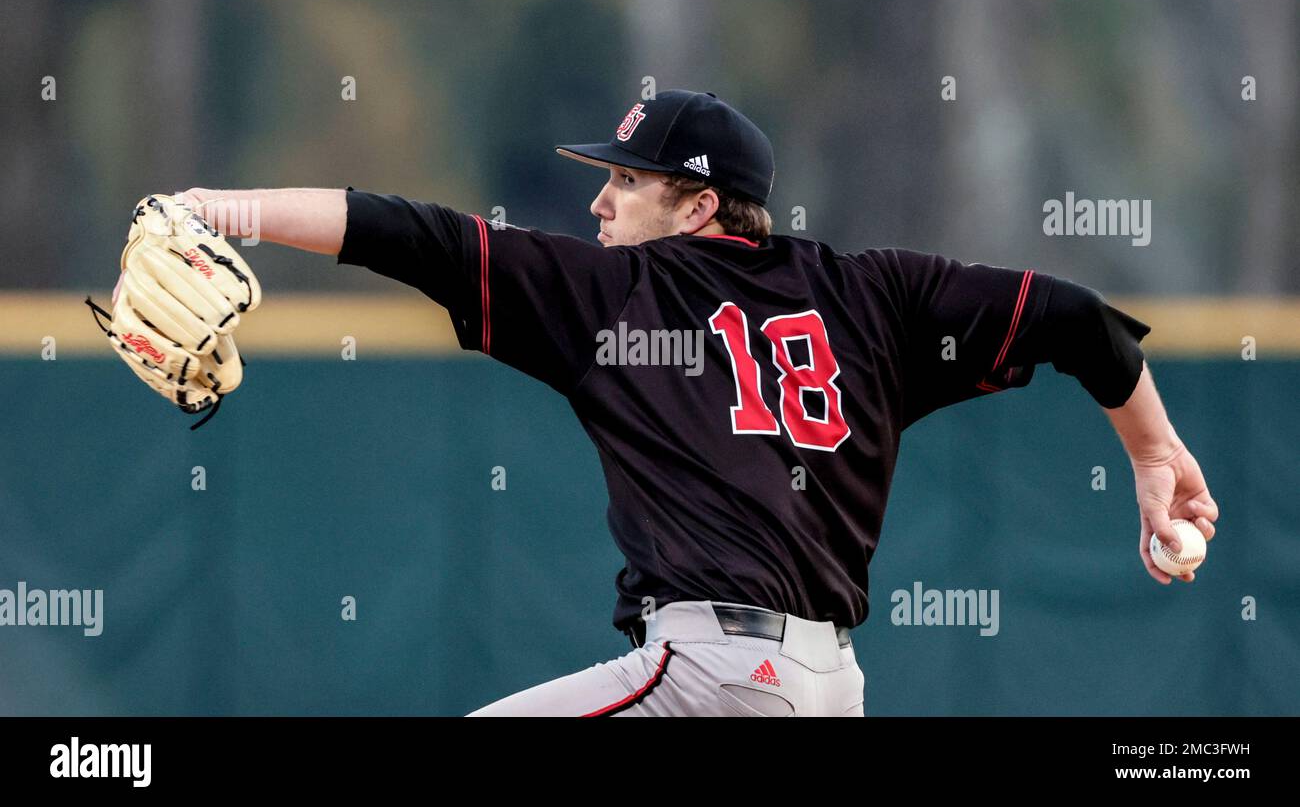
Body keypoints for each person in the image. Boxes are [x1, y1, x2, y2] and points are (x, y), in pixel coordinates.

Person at [177, 89, 1219, 716]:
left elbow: (407, 232)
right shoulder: (877, 293)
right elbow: (1080, 319)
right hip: (826, 688)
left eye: (626, 181)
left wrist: (215, 210)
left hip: (710, 673)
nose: (598, 201)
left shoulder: (616, 291)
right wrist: (1150, 453)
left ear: (699, 204)